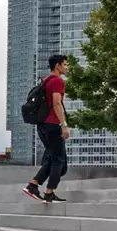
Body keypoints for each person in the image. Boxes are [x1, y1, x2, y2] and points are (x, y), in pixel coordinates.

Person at [24, 54, 72, 204]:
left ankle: (35, 185)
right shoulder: (57, 81)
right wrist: (64, 124)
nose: (67, 67)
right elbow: (57, 103)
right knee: (59, 160)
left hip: (42, 125)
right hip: (52, 125)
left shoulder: (45, 81)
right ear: (57, 66)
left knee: (53, 158)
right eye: (65, 64)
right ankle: (47, 192)